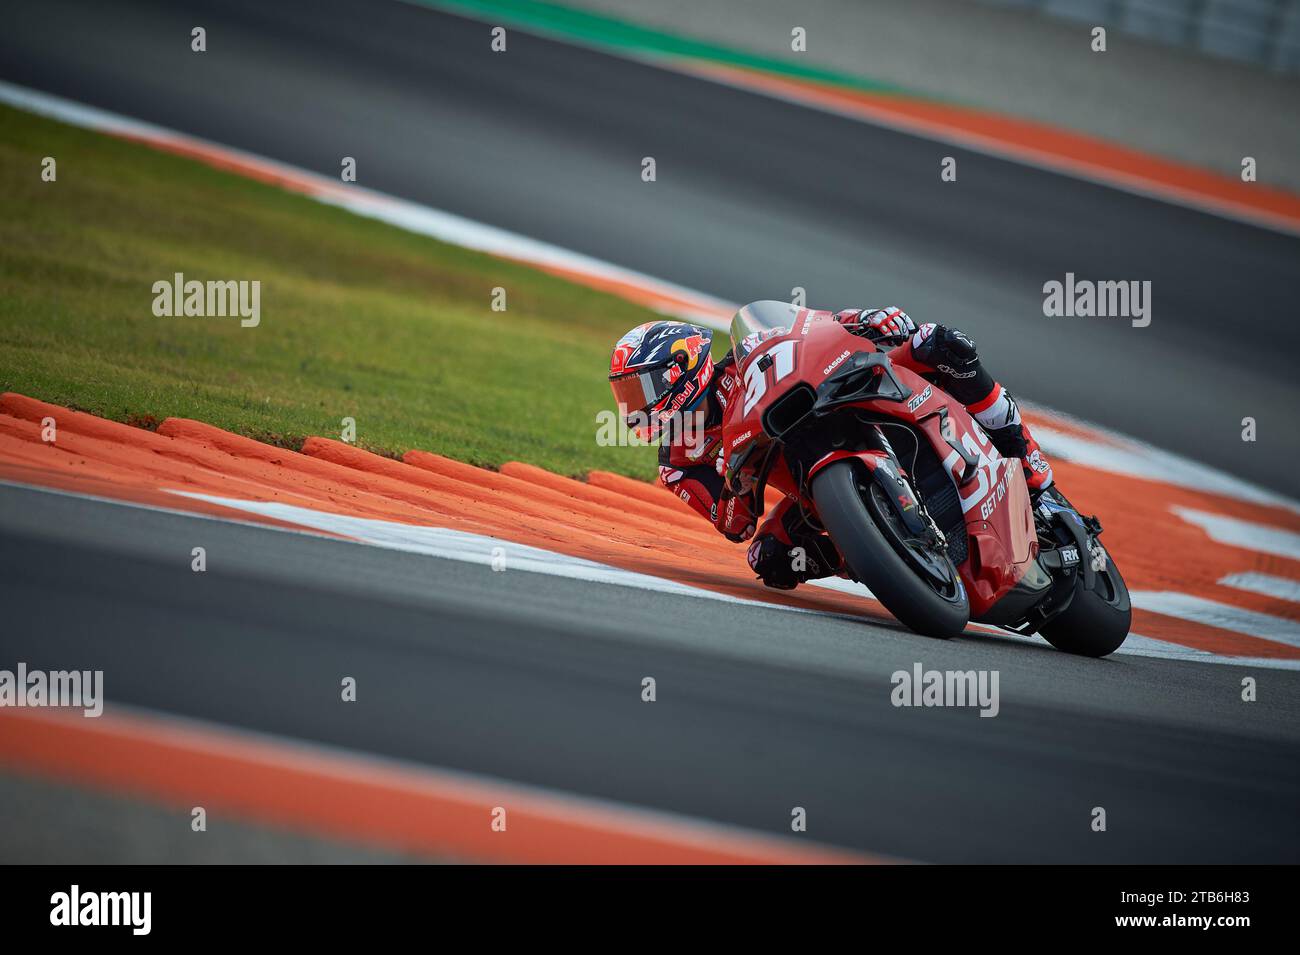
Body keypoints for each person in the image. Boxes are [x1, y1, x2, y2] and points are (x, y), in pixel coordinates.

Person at [606, 306, 1063, 590]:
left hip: (849, 399)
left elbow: (810, 327)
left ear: (681, 368)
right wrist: (736, 484)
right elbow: (734, 526)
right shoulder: (677, 463)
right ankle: (881, 557)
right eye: (626, 396)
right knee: (768, 559)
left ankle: (1038, 478)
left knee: (940, 343)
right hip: (811, 490)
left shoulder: (743, 357)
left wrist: (864, 319)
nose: (634, 406)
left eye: (639, 389)